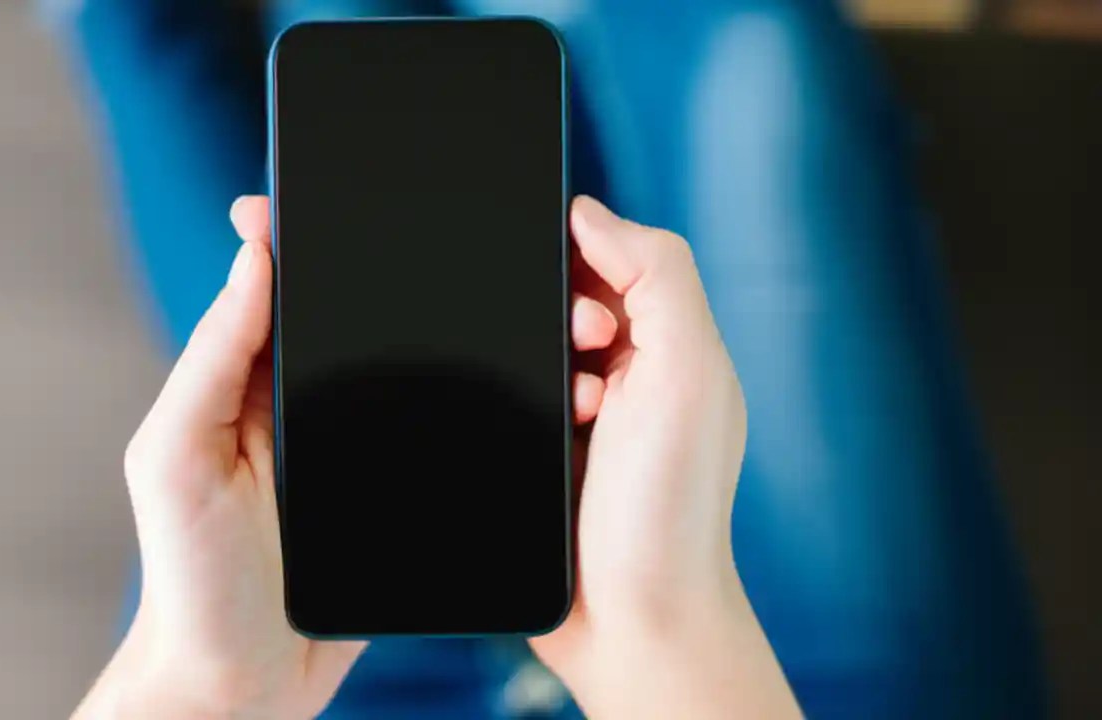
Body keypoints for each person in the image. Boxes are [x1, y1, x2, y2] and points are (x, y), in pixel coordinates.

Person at [56, 1, 1045, 716]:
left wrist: (204, 683)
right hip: (749, 680)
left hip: (320, 661)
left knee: (339, 126)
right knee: (759, 54)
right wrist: (661, 633)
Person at [71, 194, 804, 719]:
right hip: (733, 677)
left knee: (301, 250)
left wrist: (205, 692)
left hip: (332, 629)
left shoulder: (239, 659)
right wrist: (659, 618)